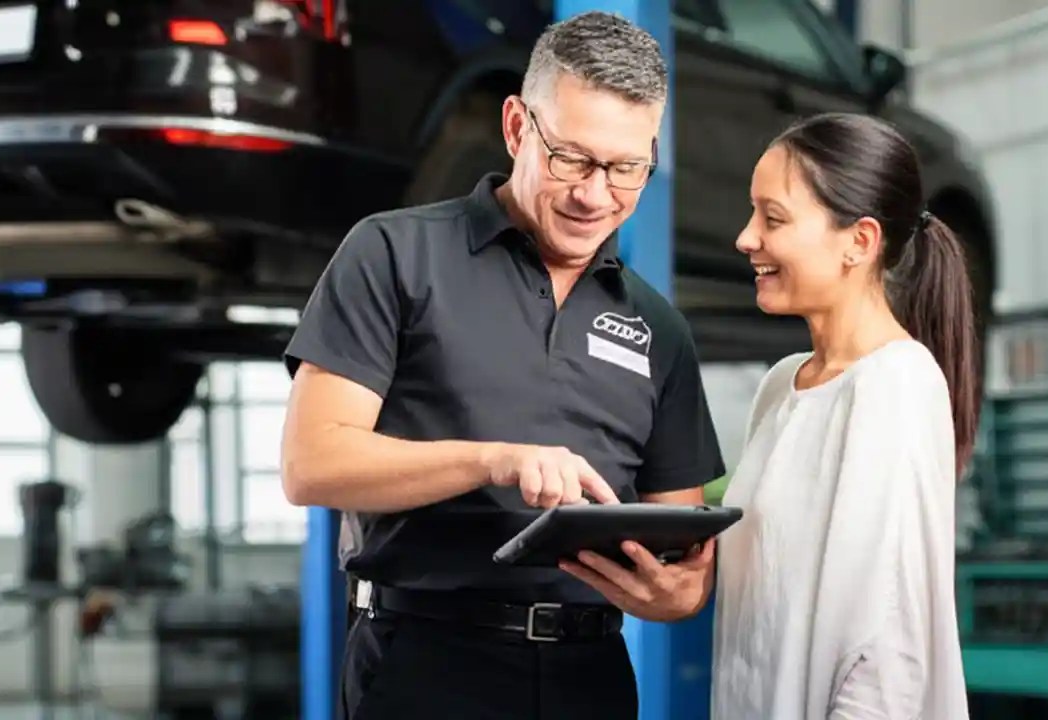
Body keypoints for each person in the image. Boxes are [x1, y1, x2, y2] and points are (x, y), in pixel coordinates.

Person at [279, 11, 726, 720]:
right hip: (424, 666)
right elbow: (311, 464)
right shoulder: (394, 256)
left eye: (625, 168)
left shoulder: (657, 327)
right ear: (517, 127)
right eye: (571, 159)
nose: (594, 194)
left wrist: (678, 597)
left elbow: (680, 544)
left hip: (594, 677)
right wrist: (493, 461)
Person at [710, 112, 977, 720]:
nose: (746, 238)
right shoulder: (782, 386)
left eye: (772, 218)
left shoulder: (896, 383)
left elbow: (889, 644)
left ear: (859, 241)